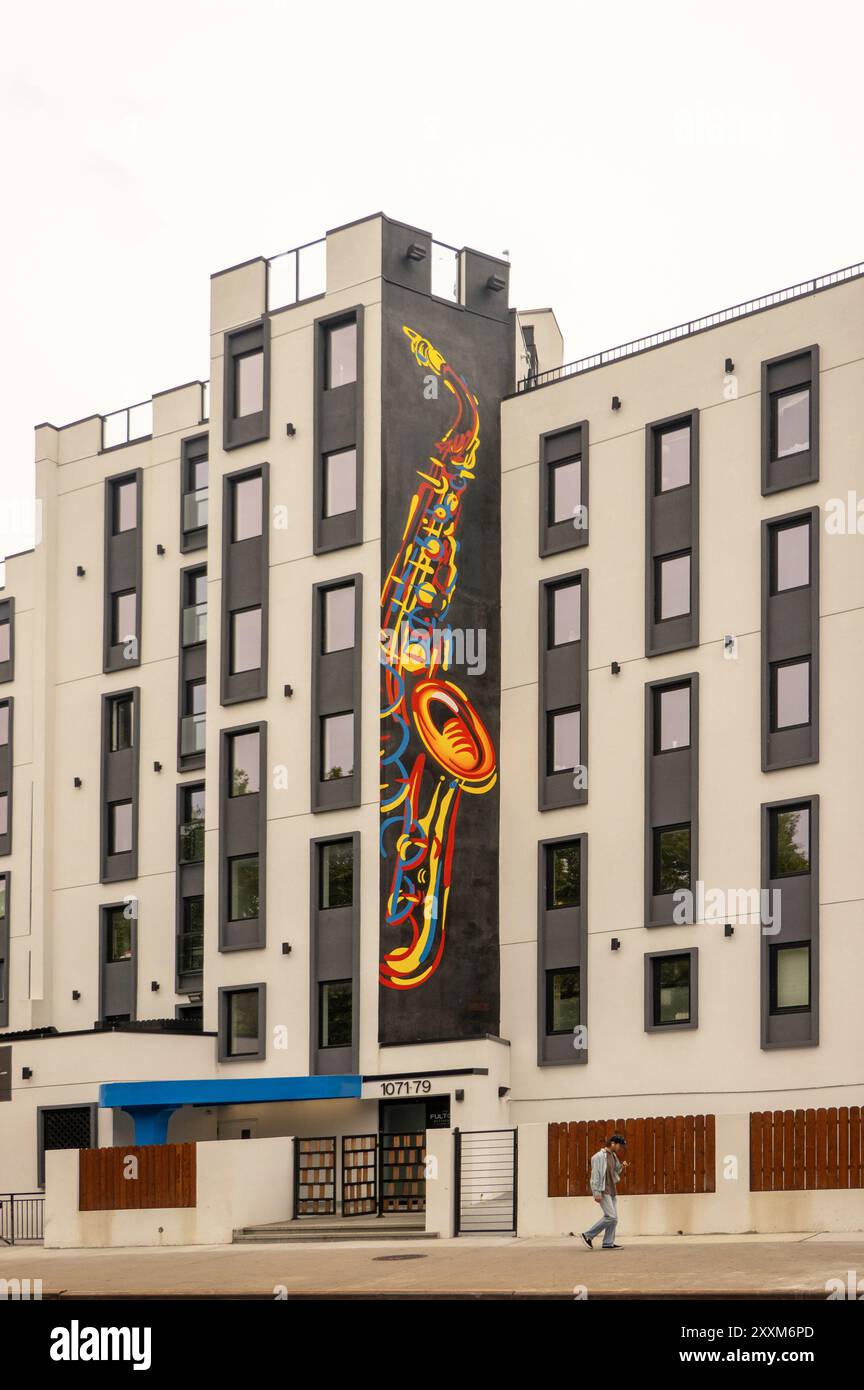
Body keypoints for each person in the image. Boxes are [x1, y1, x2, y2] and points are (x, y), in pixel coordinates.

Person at [580, 1133, 628, 1249]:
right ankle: (587, 1235)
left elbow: (615, 1171)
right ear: (612, 1143)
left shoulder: (613, 1156)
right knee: (611, 1217)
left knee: (614, 1219)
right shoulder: (598, 1157)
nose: (620, 1148)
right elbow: (595, 1176)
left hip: (612, 1190)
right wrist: (596, 1193)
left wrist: (622, 1166)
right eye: (619, 1145)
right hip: (603, 1190)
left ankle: (608, 1243)